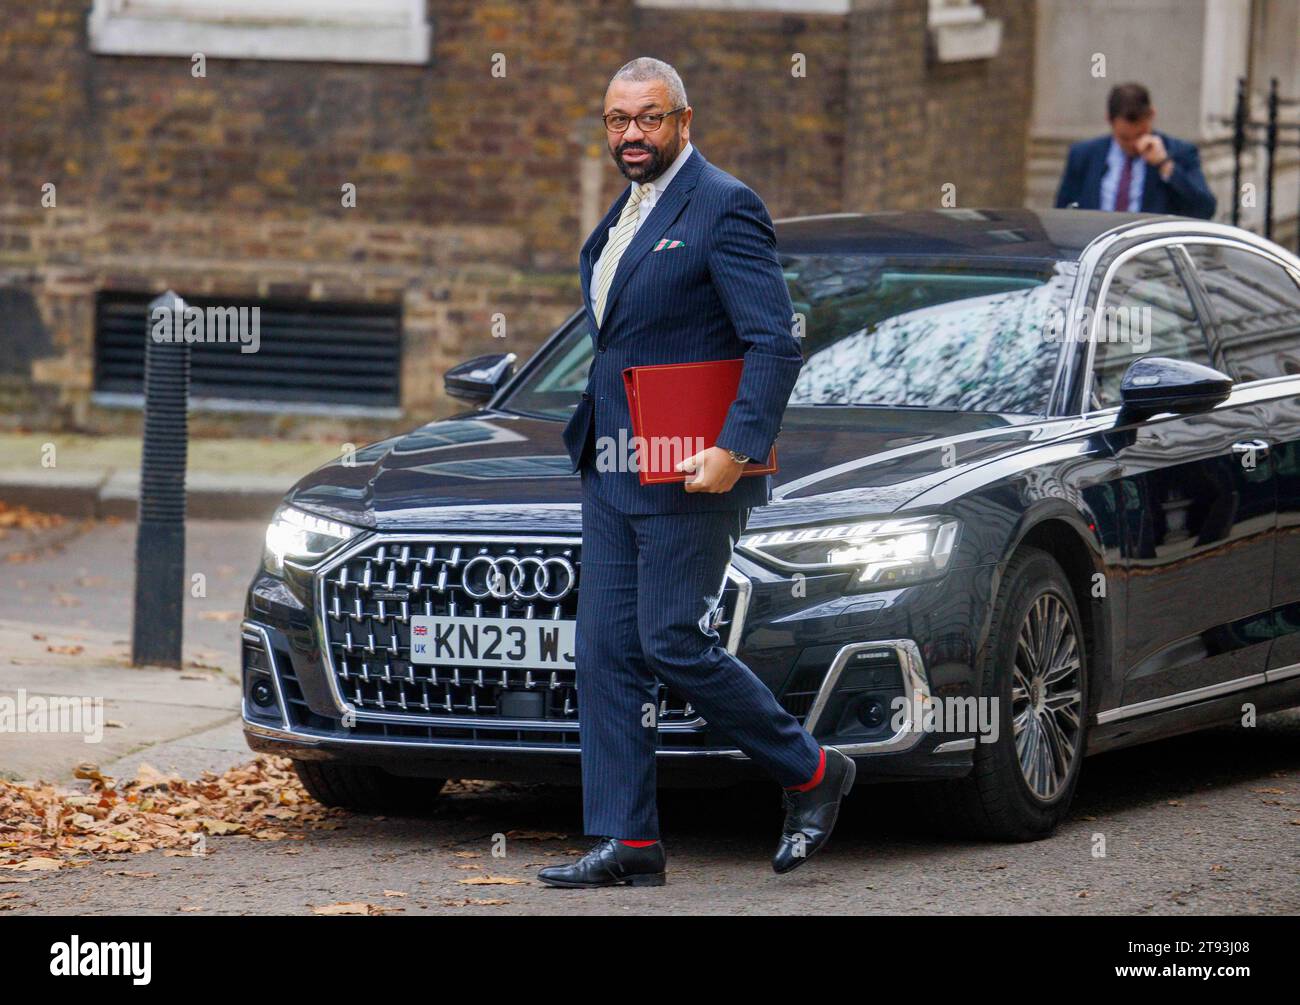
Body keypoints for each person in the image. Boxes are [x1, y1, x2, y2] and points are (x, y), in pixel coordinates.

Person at [538, 57, 854, 889]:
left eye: (648, 118)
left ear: (684, 119)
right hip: (611, 466)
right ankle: (629, 842)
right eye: (617, 120)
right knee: (605, 654)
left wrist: (735, 446)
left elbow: (773, 340)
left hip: (691, 469)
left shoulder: (722, 205)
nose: (631, 134)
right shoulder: (625, 212)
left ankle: (814, 770)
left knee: (671, 640)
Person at [1054, 82, 1216, 219]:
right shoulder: (1084, 155)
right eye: (1124, 137)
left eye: (1140, 135)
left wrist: (1165, 165)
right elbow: (1063, 213)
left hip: (1151, 252)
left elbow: (1205, 209)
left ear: (1151, 115)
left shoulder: (1179, 152)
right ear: (1109, 120)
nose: (1133, 144)